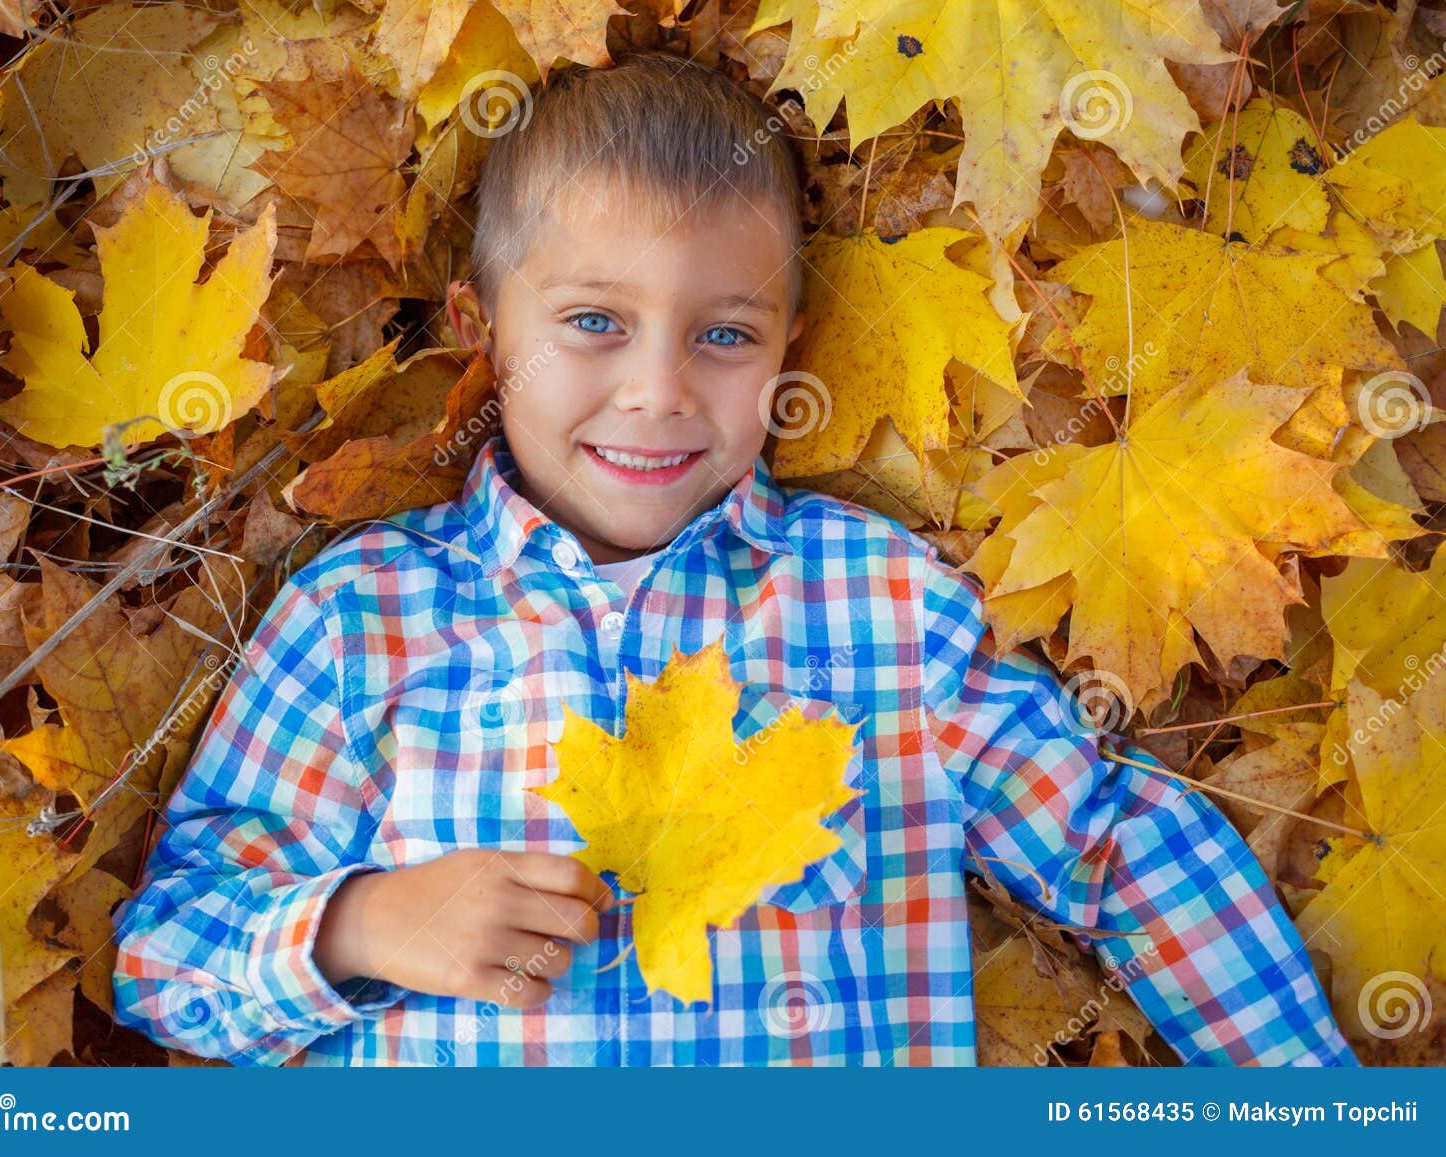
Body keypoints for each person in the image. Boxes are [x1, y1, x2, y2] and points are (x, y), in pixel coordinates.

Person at [112, 51, 1354, 1067]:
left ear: (787, 346)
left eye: (722, 336)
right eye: (593, 322)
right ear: (482, 331)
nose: (656, 392)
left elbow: (1112, 843)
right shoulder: (360, 616)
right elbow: (165, 956)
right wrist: (362, 923)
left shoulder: (877, 604)